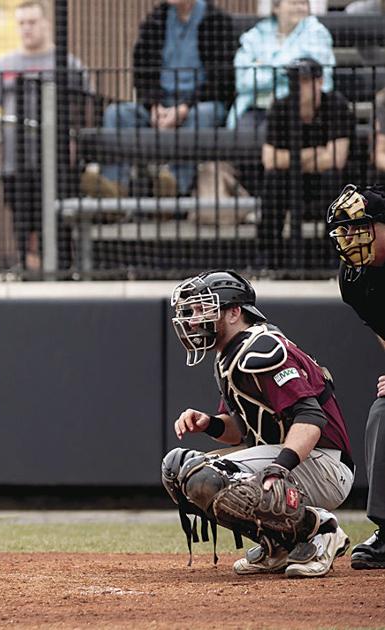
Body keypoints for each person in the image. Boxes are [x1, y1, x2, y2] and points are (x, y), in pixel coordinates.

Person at [162, 269, 353, 578]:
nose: (194, 319)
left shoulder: (262, 349)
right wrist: (209, 423)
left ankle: (319, 528)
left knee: (202, 475)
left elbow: (310, 418)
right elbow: (239, 430)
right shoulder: (232, 354)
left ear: (234, 311)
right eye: (192, 311)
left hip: (323, 463)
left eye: (203, 308)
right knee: (177, 469)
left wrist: (280, 467)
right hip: (295, 460)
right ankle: (278, 543)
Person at [0, 0, 89, 272]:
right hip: (16, 165)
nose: (27, 29)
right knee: (23, 226)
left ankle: (61, 276)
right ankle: (29, 275)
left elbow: (86, 109)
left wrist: (76, 141)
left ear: (46, 23)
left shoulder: (67, 64)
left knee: (58, 226)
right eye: (21, 23)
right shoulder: (3, 65)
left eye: (32, 22)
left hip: (57, 164)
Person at [81, 0, 236, 199]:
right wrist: (154, 105)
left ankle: (174, 187)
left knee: (203, 115)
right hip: (160, 104)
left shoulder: (217, 21)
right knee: (116, 114)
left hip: (200, 104)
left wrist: (183, 109)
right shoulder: (155, 20)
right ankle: (114, 188)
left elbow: (222, 79)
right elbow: (143, 72)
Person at [326, 184, 385, 569]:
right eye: (344, 231)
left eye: (360, 228)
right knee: (383, 411)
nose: (350, 239)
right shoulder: (355, 279)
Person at [260, 57, 353, 268]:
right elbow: (269, 159)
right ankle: (268, 258)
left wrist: (291, 159)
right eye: (293, 81)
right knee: (272, 179)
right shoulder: (280, 107)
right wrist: (315, 154)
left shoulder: (336, 105)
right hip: (289, 182)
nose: (296, 87)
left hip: (326, 183)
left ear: (319, 82)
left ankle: (333, 257)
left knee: (333, 177)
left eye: (302, 81)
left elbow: (336, 159)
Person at [228, 0, 334, 132]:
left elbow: (318, 78)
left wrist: (263, 66)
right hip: (253, 107)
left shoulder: (317, 33)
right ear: (276, 8)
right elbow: (243, 81)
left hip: (295, 109)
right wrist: (285, 71)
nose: (299, 8)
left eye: (303, 4)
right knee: (241, 141)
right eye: (294, 3)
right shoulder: (255, 35)